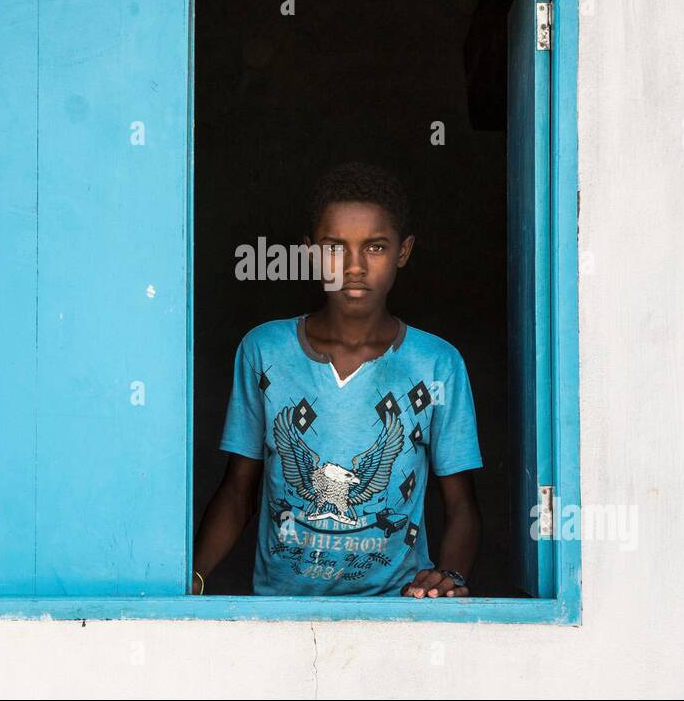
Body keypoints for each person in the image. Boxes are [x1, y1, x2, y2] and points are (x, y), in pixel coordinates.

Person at [192, 161, 484, 597]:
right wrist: (193, 578)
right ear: (310, 252)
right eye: (334, 248)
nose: (354, 266)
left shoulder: (436, 364)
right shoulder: (265, 352)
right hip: (280, 613)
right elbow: (238, 490)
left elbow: (462, 507)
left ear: (403, 252)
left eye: (376, 247)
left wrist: (450, 578)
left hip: (398, 610)